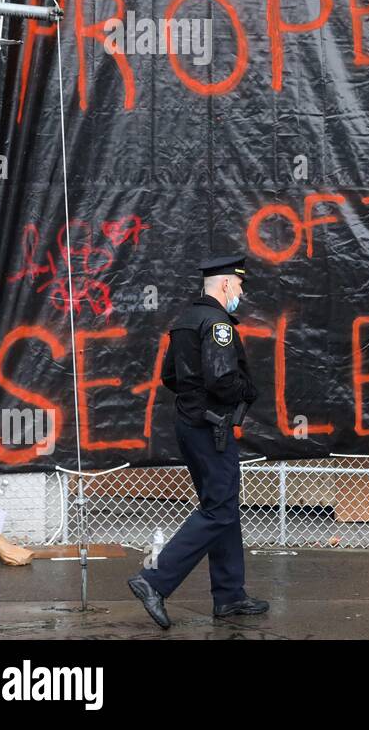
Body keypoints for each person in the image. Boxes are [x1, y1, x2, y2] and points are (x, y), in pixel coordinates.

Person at [128, 253, 268, 628]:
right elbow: (222, 379)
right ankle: (154, 580)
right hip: (212, 428)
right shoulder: (218, 323)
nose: (240, 291)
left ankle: (229, 595)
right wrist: (247, 390)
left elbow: (170, 378)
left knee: (221, 505)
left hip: (191, 425)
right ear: (225, 284)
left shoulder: (184, 322)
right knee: (219, 509)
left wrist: (194, 399)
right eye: (238, 285)